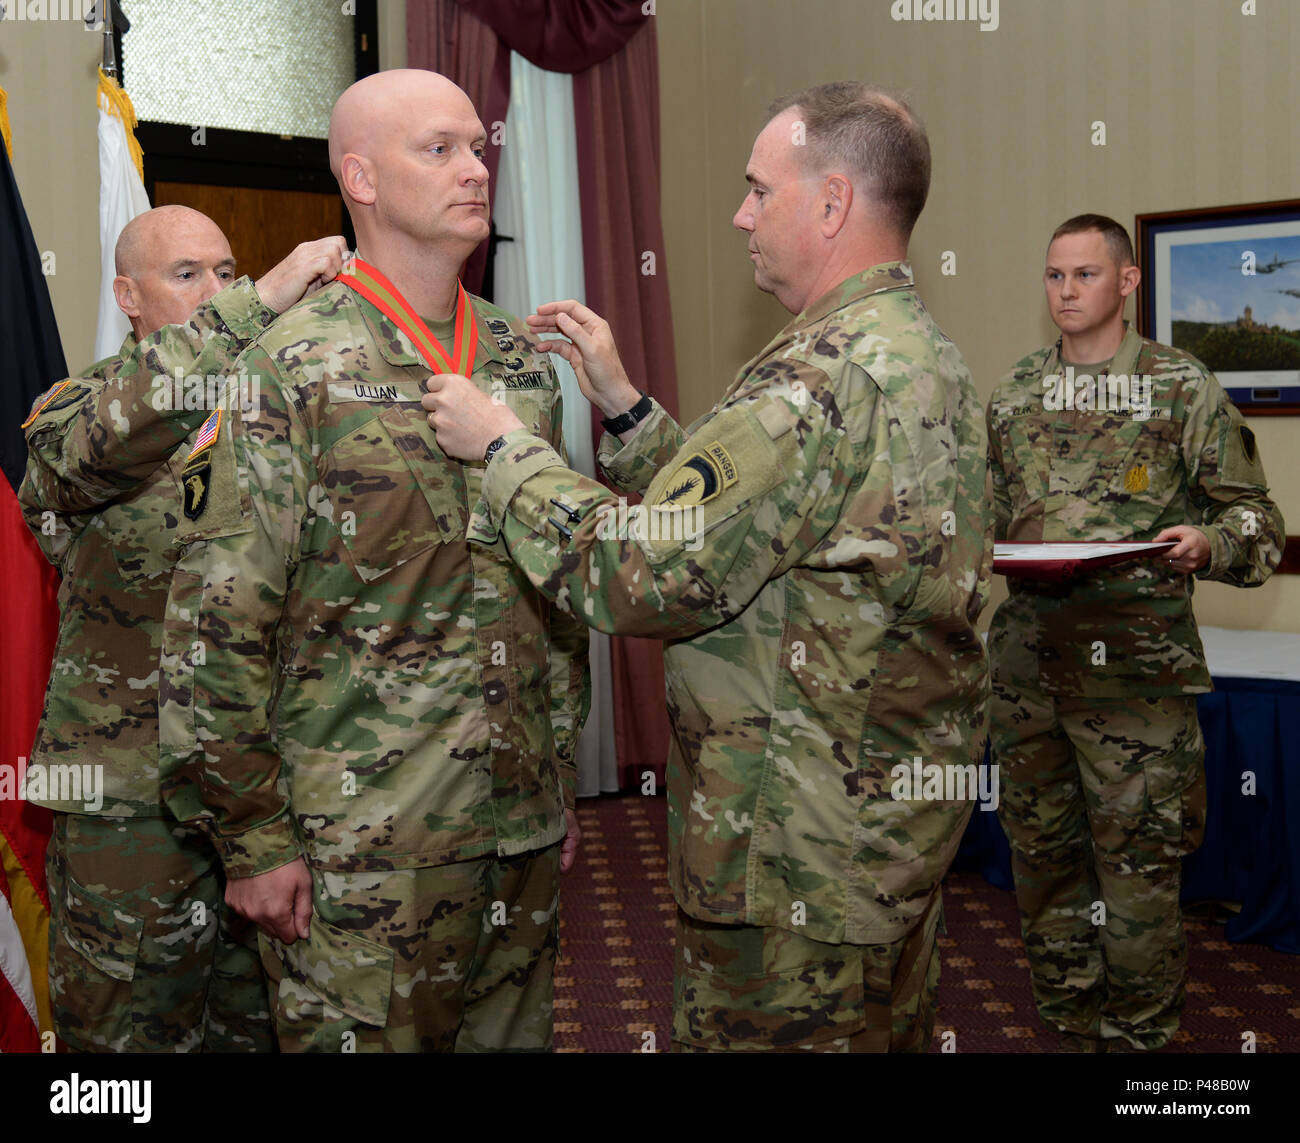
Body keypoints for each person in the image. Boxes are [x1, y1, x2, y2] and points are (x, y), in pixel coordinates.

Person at [422, 81, 991, 1052]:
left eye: (757, 190)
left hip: (792, 867)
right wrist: (629, 410)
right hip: (878, 841)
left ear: (830, 204)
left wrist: (504, 447)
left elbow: (636, 578)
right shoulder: (921, 356)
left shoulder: (815, 378)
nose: (738, 214)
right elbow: (769, 530)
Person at [157, 70, 590, 1053]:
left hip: (513, 830)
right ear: (359, 176)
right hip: (358, 850)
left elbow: (552, 595)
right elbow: (212, 628)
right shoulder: (287, 365)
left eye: (478, 147)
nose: (473, 170)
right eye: (437, 150)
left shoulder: (519, 363)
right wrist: (253, 840)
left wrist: (554, 777)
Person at [20, 204, 346, 1051]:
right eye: (187, 275)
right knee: (122, 1039)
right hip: (124, 795)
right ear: (127, 295)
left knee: (255, 1025)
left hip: (259, 793)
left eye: (229, 273)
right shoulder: (83, 407)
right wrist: (256, 306)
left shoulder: (269, 409)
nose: (216, 291)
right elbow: (89, 458)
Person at [985, 214, 1285, 1052]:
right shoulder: (1013, 394)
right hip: (1029, 674)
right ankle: (1066, 1027)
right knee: (1042, 868)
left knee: (1140, 881)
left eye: (1084, 275)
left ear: (1126, 282)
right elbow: (981, 511)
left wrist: (1210, 543)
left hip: (1138, 685)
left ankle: (1142, 1048)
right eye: (1054, 276)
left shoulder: (1180, 386)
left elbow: (1258, 519)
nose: (1067, 291)